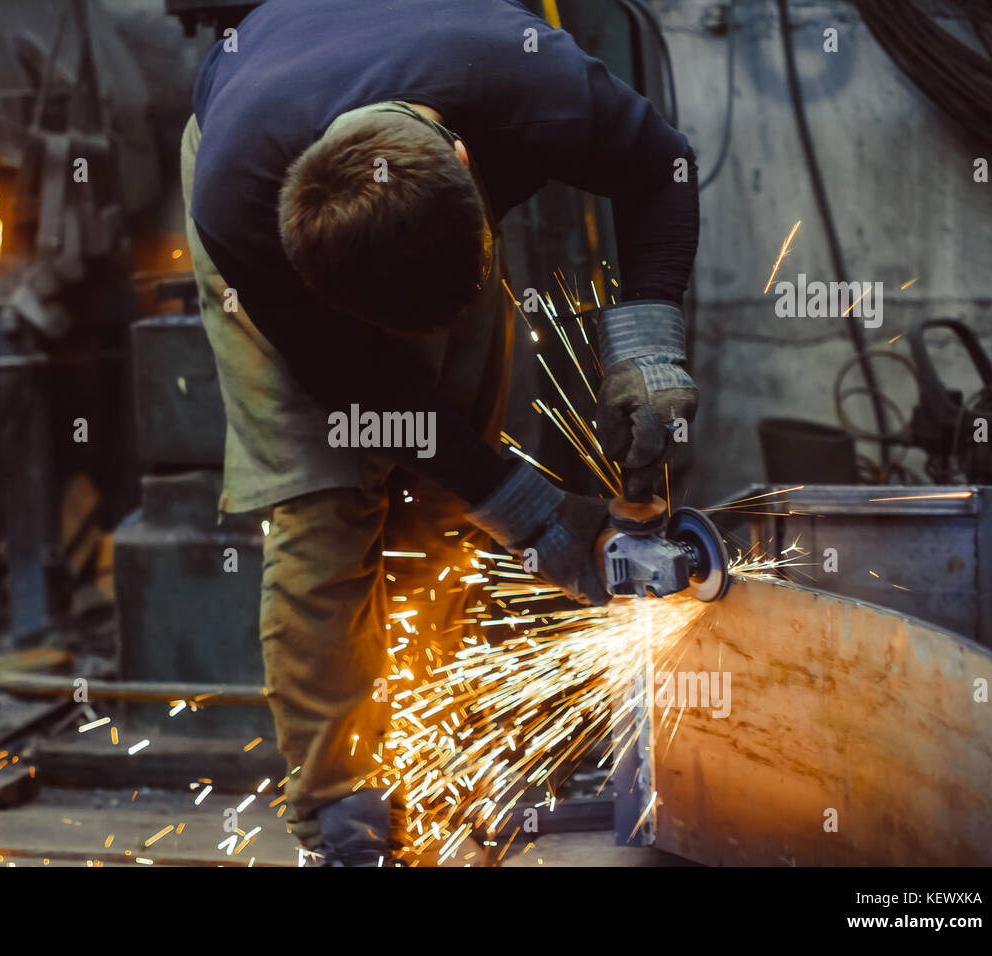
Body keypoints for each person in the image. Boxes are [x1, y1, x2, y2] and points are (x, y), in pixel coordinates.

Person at [180, 0, 699, 865]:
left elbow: (665, 168)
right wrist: (530, 510)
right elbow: (360, 385)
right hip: (263, 159)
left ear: (465, 162)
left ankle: (434, 758)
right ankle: (338, 807)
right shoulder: (238, 204)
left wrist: (647, 344)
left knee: (445, 500)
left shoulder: (540, 84)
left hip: (421, 139)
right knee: (325, 499)